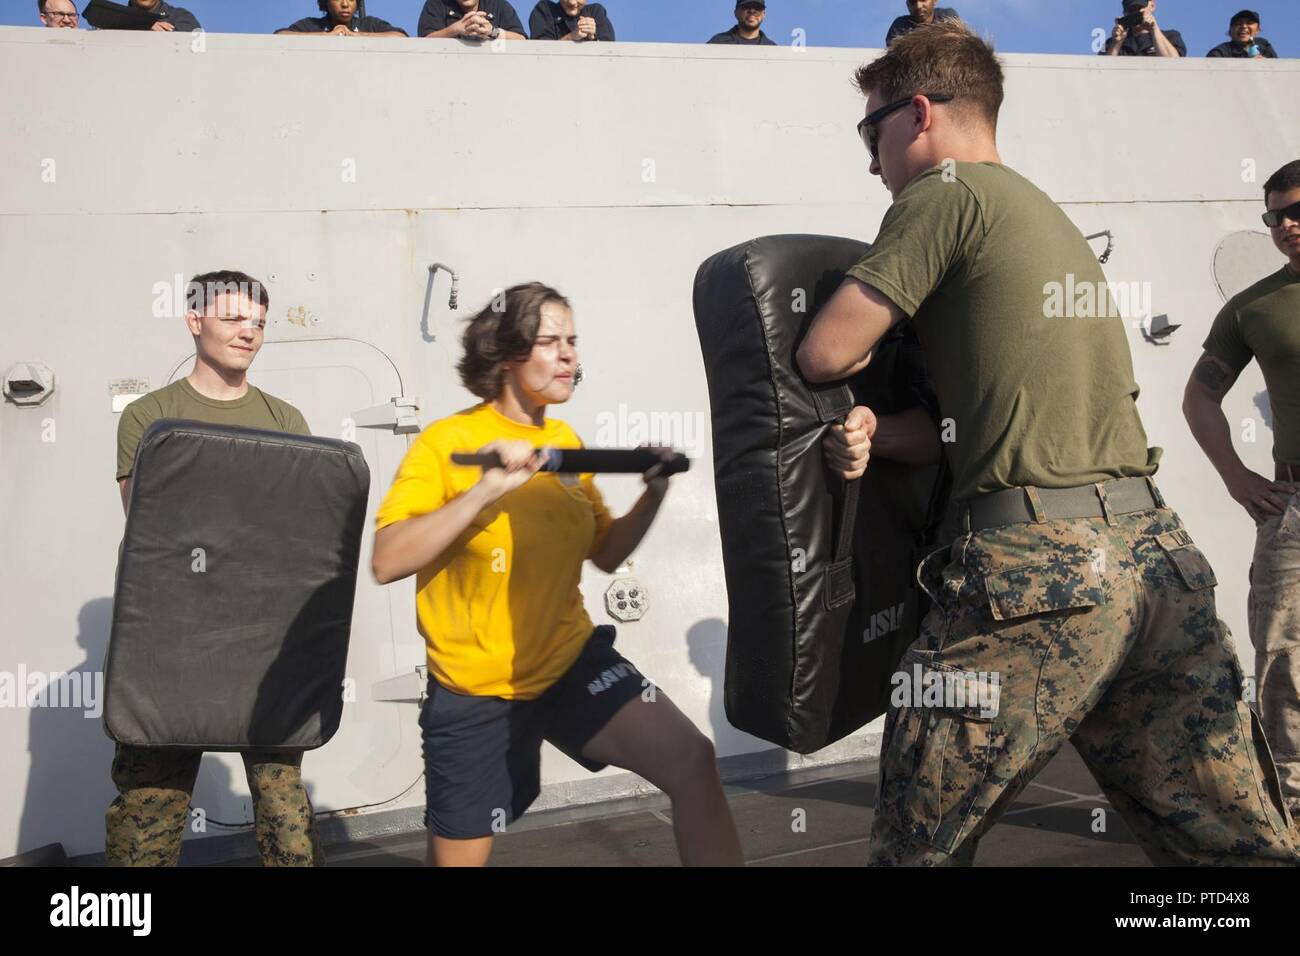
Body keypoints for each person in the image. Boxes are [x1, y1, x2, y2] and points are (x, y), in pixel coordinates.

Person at [799, 20, 1298, 866]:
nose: (870, 160)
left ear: (918, 113)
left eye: (870, 131)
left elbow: (825, 351)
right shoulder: (1038, 213)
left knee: (917, 844)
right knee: (1231, 850)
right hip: (1156, 562)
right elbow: (980, 417)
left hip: (1038, 568)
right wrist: (882, 428)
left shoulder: (942, 194)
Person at [371, 283, 742, 867]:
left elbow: (607, 552)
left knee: (692, 760)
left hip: (571, 662)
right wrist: (486, 491)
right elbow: (387, 559)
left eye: (572, 341)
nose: (570, 355)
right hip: (478, 689)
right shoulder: (448, 444)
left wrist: (655, 490)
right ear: (508, 355)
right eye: (550, 341)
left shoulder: (562, 443)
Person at [108, 271, 323, 867]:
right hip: (169, 641)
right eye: (232, 318)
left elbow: (299, 538)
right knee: (149, 805)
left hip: (262, 638)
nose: (248, 332)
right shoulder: (152, 417)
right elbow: (151, 528)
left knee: (285, 808)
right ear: (194, 320)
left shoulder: (286, 421)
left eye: (258, 322)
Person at [1183, 160, 1300, 816]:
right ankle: (1292, 819)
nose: (1286, 225)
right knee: (1285, 668)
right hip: (1292, 511)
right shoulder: (1253, 306)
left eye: (1296, 211)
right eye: (1274, 216)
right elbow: (1201, 393)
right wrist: (1235, 476)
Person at [277, 0, 408, 37]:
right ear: (326, 2)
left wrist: (356, 35)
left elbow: (400, 36)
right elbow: (280, 35)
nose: (345, 4)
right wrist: (327, 36)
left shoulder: (369, 24)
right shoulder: (312, 25)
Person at [1103, 0, 1184, 58]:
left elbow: (1174, 65)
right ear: (1124, 13)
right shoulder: (1110, 43)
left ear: (1152, 6)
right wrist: (1116, 43)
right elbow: (1101, 72)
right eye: (1131, 10)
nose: (1136, 13)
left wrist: (1154, 29)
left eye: (1140, 8)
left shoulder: (1171, 37)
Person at [419, 0, 527, 41]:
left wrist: (492, 32)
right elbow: (423, 41)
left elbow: (521, 39)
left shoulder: (498, 4)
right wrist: (455, 29)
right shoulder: (436, 4)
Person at [528, 0, 614, 42]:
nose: (572, 2)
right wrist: (572, 37)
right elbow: (540, 54)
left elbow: (611, 55)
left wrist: (593, 38)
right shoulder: (545, 10)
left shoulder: (596, 12)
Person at [1207, 9, 1278, 59]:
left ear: (1257, 30)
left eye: (1249, 23)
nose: (1244, 26)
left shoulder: (1264, 44)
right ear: (1230, 32)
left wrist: (1265, 63)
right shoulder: (1221, 51)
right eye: (1238, 24)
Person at [885, 1, 958, 47]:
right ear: (908, 5)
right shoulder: (899, 26)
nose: (918, 6)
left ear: (935, 1)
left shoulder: (948, 17)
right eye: (912, 2)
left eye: (923, 0)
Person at [708, 1, 776, 47]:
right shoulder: (718, 42)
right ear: (736, 13)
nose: (752, 11)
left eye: (757, 8)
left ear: (763, 14)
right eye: (746, 7)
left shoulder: (773, 48)